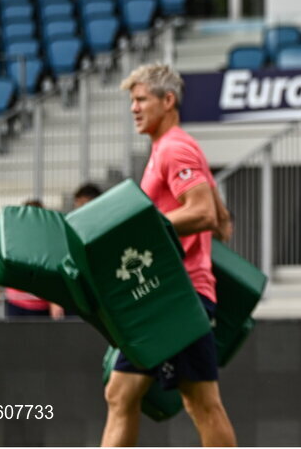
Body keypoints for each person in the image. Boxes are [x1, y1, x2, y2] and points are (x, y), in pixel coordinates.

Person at [102, 63, 236, 447]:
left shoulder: (175, 147)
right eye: (133, 100)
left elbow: (204, 213)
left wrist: (138, 231)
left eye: (141, 99)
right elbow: (221, 219)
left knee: (201, 403)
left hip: (179, 299)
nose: (134, 108)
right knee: (122, 393)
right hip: (168, 297)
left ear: (168, 100)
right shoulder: (171, 148)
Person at [0, 198, 65, 320]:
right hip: (15, 305)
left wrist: (55, 301)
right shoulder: (11, 241)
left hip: (41, 308)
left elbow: (57, 272)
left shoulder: (48, 241)